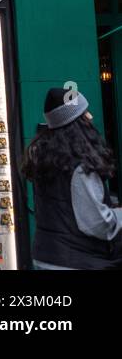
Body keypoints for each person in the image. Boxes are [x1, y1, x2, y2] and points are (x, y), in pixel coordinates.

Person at [21, 86, 122, 269]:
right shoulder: (79, 165)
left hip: (46, 256)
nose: (90, 116)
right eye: (84, 113)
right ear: (76, 122)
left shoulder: (42, 155)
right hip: (76, 260)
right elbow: (97, 224)